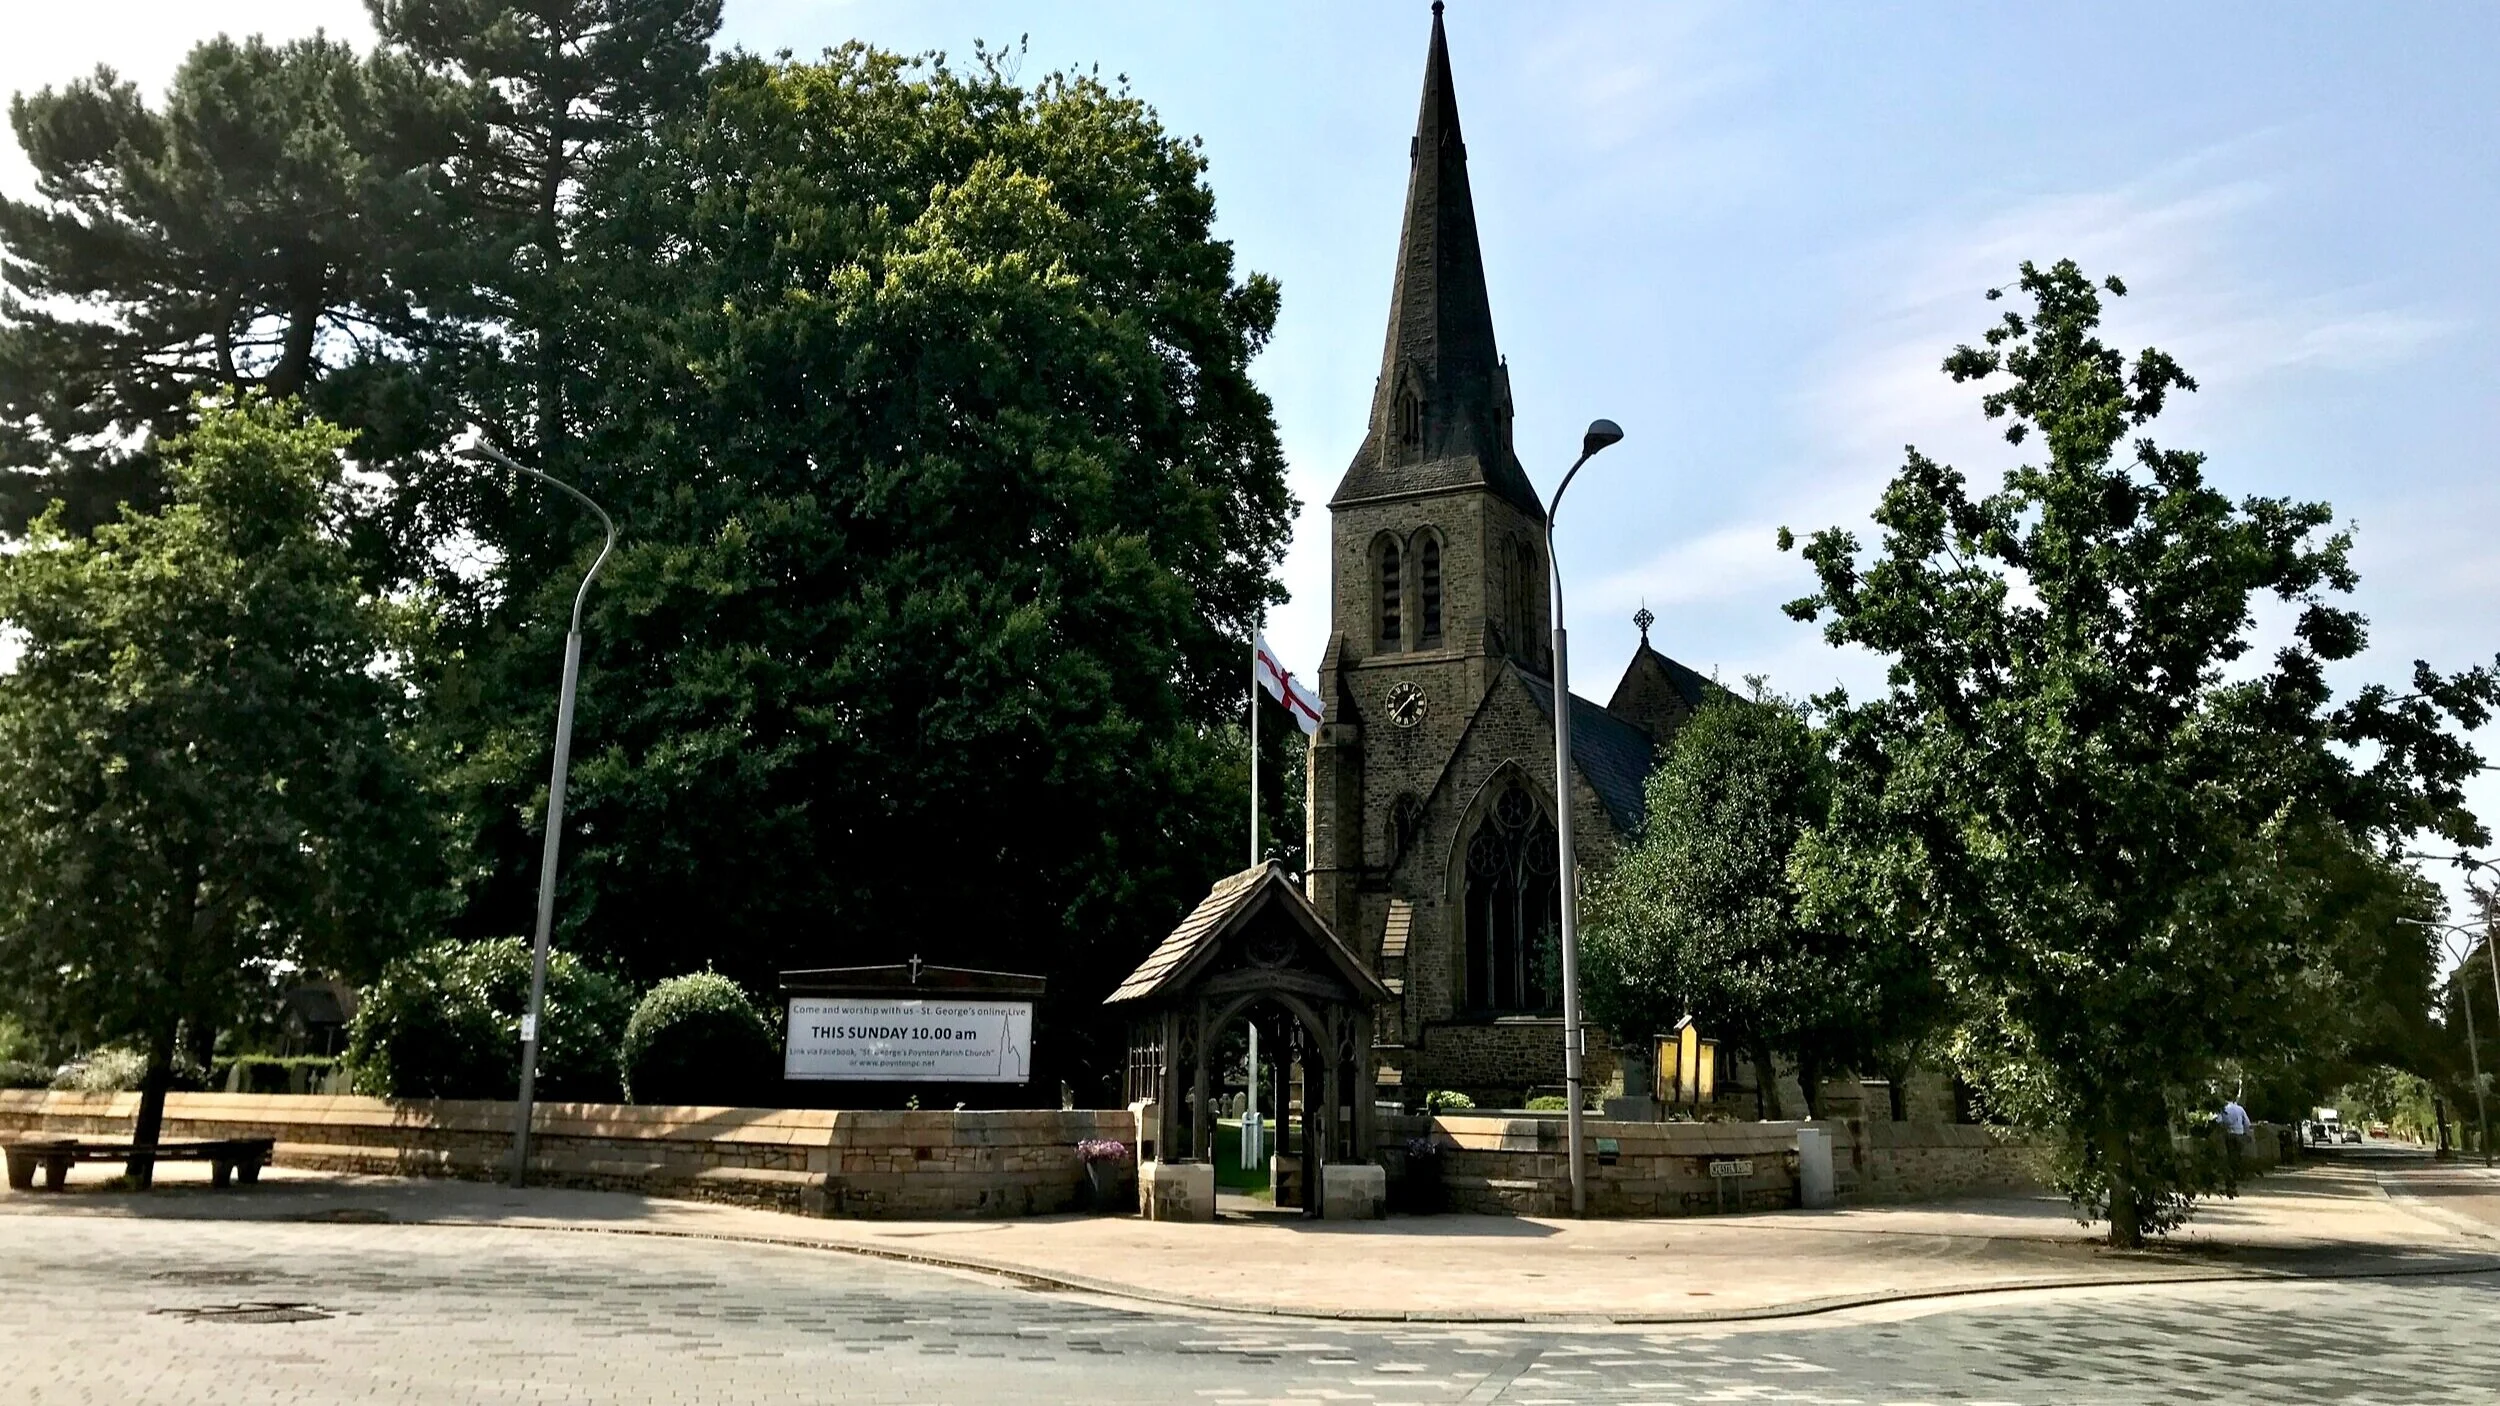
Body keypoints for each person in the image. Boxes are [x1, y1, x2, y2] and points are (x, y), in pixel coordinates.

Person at [2218, 1098, 2252, 1177]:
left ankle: (2233, 1174)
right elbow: (2247, 1123)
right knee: (2239, 1154)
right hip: (2239, 1133)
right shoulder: (2240, 1109)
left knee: (2231, 1154)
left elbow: (2219, 1121)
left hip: (2229, 1133)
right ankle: (2240, 1174)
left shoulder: (2223, 1109)